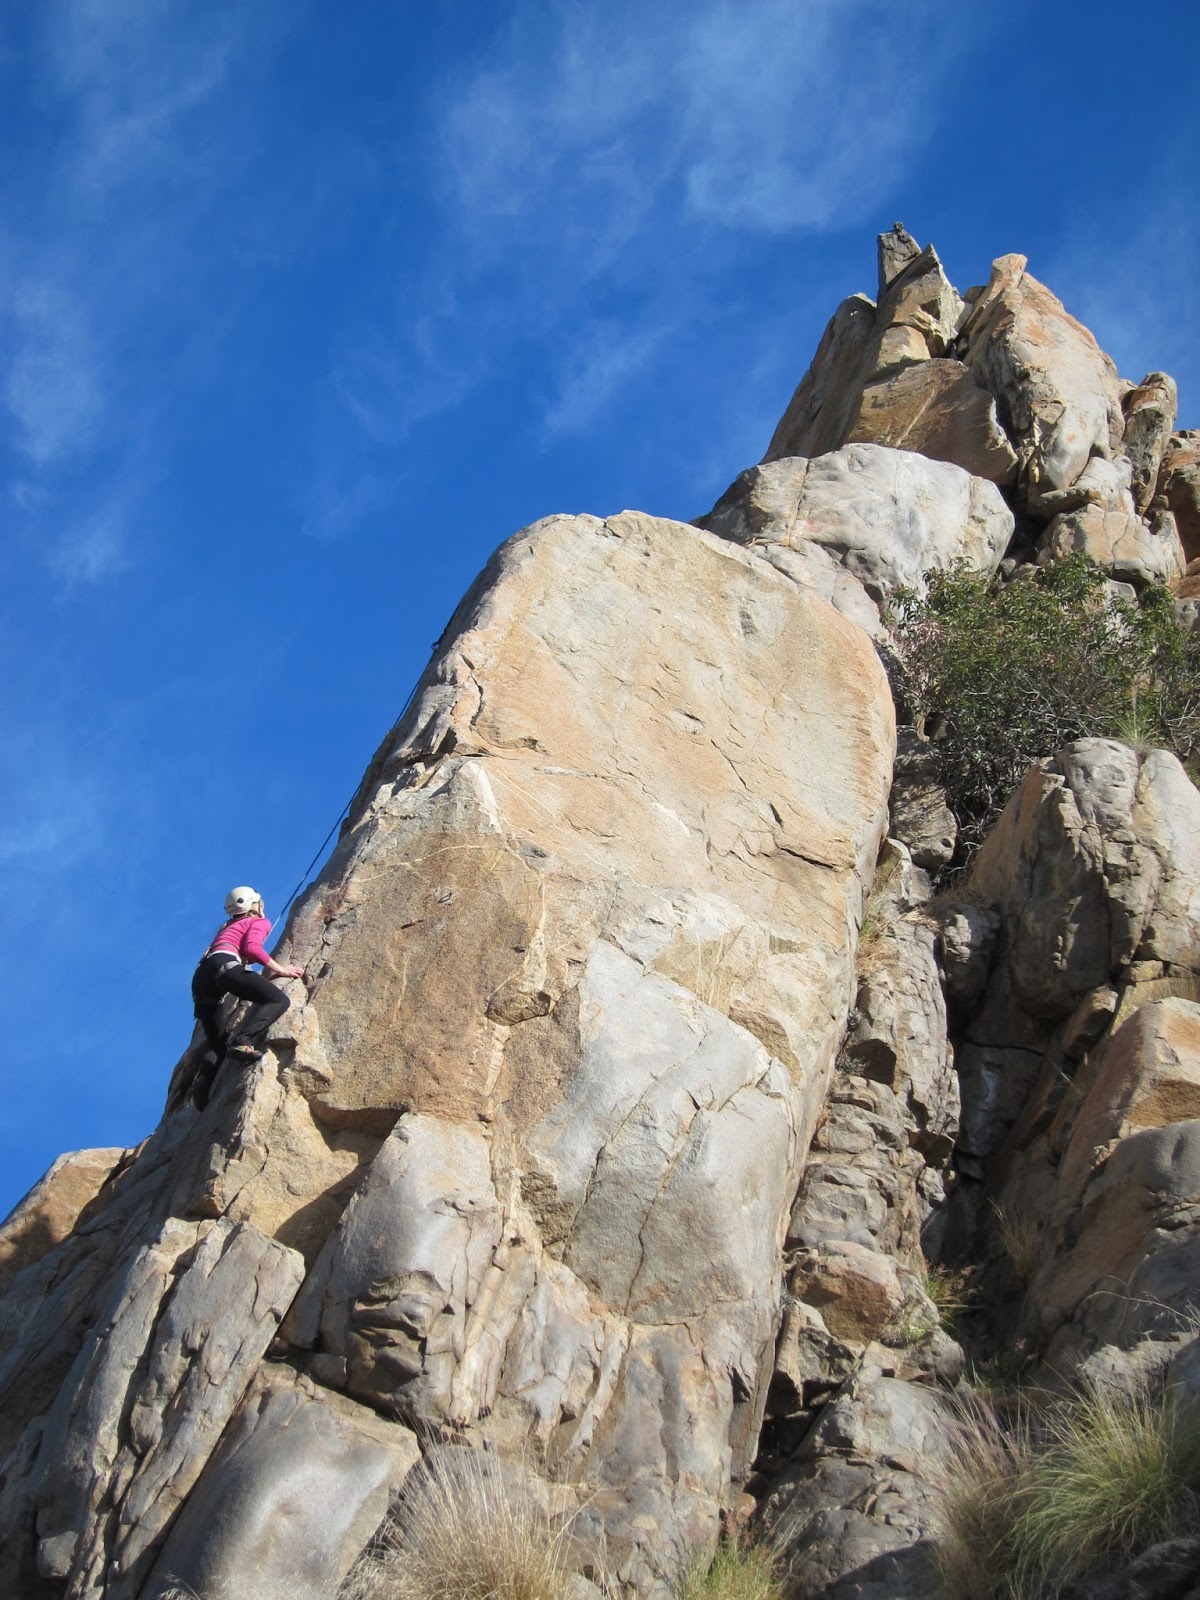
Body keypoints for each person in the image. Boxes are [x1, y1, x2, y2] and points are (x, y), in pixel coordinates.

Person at [190, 886, 305, 1108]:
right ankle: (243, 1041)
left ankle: (202, 1097)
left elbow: (226, 952)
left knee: (217, 1044)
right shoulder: (259, 922)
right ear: (255, 905)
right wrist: (279, 969)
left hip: (202, 978)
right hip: (224, 966)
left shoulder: (226, 927)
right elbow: (252, 947)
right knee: (278, 1000)